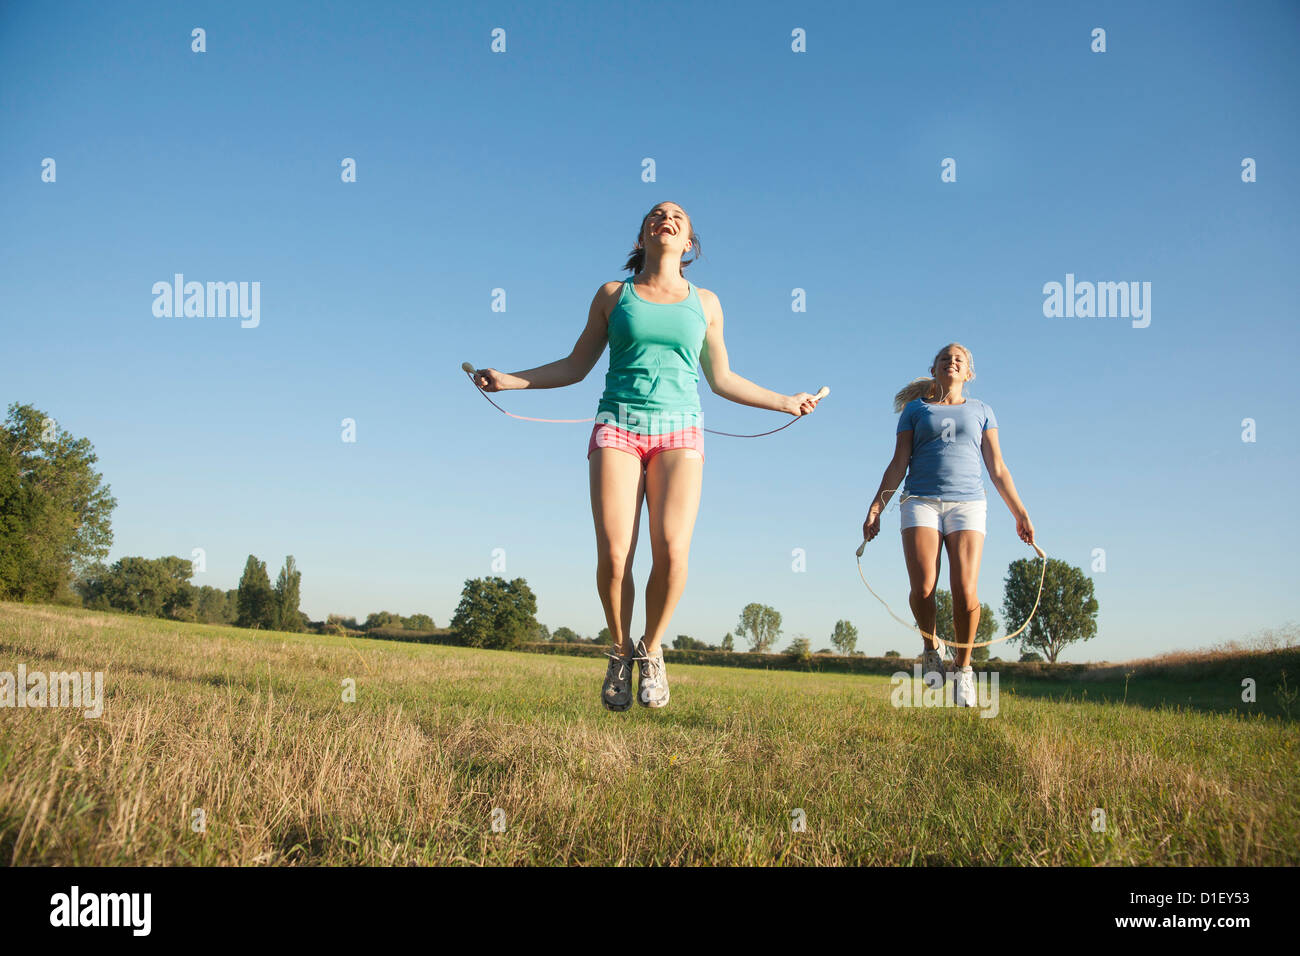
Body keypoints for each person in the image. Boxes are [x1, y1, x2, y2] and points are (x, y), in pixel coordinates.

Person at [469, 201, 824, 710]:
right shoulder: (614, 295)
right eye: (657, 214)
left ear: (689, 244)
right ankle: (619, 650)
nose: (667, 218)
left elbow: (722, 379)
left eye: (678, 217)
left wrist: (785, 401)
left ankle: (652, 651)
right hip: (618, 426)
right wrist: (510, 380)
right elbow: (575, 366)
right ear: (642, 237)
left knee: (673, 551)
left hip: (679, 432)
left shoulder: (706, 303)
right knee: (616, 555)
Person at [861, 343, 1034, 706]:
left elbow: (997, 468)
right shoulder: (914, 410)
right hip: (920, 501)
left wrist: (1020, 512)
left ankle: (965, 669)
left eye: (959, 360)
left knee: (965, 592)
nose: (951, 362)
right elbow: (898, 464)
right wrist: (877, 506)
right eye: (945, 358)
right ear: (934, 368)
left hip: (968, 504)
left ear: (968, 372)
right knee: (923, 587)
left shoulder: (982, 411)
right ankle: (931, 648)